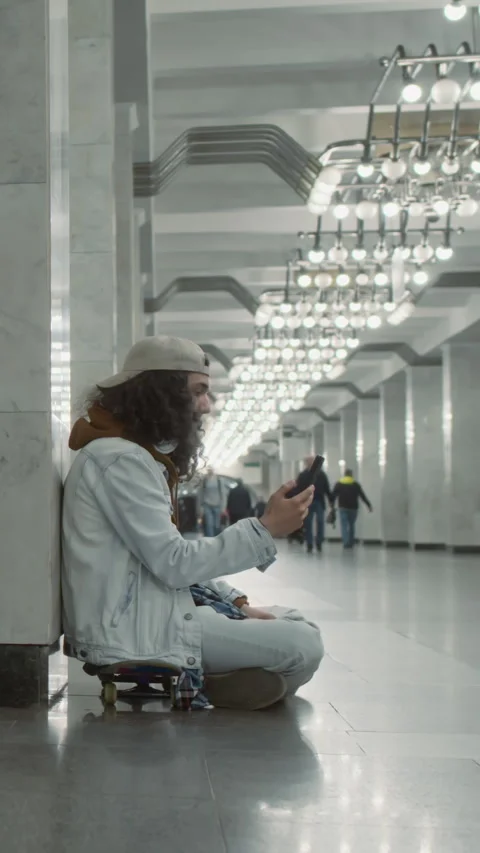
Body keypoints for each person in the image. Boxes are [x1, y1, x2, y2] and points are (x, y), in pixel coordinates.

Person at [62, 336, 324, 711]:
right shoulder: (119, 460)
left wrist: (236, 602)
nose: (206, 406)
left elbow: (166, 555)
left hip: (156, 609)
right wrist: (265, 528)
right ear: (161, 393)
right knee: (304, 645)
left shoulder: (134, 456)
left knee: (296, 621)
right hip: (135, 628)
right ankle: (216, 682)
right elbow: (174, 561)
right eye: (199, 391)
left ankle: (219, 680)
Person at [296, 456, 333, 554]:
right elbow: (298, 489)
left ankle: (319, 542)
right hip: (308, 502)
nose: (311, 463)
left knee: (320, 522)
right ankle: (309, 543)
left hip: (319, 501)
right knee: (308, 523)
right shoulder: (303, 475)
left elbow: (327, 488)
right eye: (309, 462)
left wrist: (331, 501)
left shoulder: (321, 475)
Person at [332, 468, 373, 549]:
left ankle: (345, 542)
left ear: (344, 474)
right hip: (353, 508)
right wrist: (368, 505)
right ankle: (351, 542)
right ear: (351, 475)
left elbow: (333, 496)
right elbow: (362, 496)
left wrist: (331, 505)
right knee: (351, 525)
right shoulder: (355, 484)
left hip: (343, 507)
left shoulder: (339, 484)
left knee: (344, 525)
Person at [197, 466, 227, 537]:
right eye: (208, 470)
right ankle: (211, 541)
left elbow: (223, 494)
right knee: (209, 525)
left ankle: (216, 539)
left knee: (217, 525)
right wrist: (200, 507)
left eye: (211, 470)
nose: (210, 471)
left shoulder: (219, 480)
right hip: (207, 505)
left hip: (217, 505)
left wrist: (223, 507)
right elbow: (201, 494)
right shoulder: (204, 480)